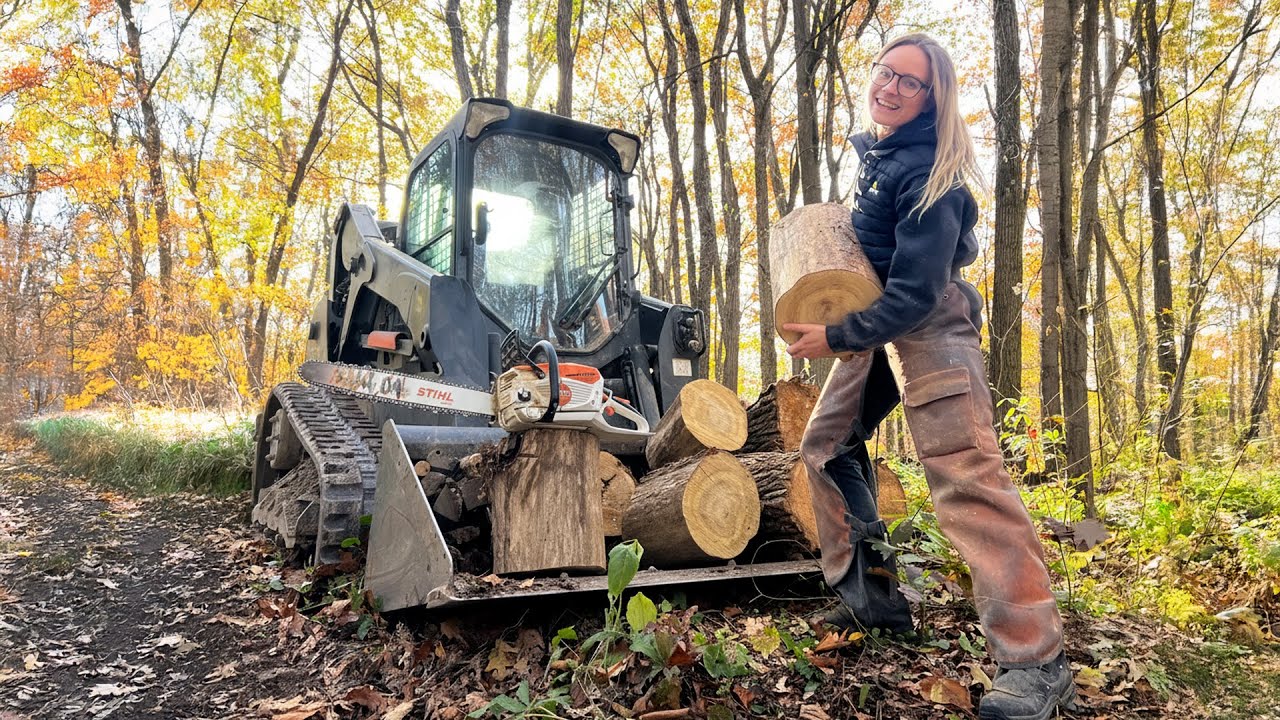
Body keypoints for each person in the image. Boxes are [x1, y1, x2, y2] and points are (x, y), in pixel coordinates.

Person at [782, 33, 1076, 720]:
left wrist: (836, 336)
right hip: (878, 322)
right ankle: (874, 601)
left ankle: (1036, 662)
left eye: (909, 82)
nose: (889, 87)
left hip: (929, 325)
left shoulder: (928, 177)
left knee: (967, 478)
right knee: (825, 447)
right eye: (885, 72)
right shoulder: (883, 158)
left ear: (932, 98)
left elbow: (916, 292)